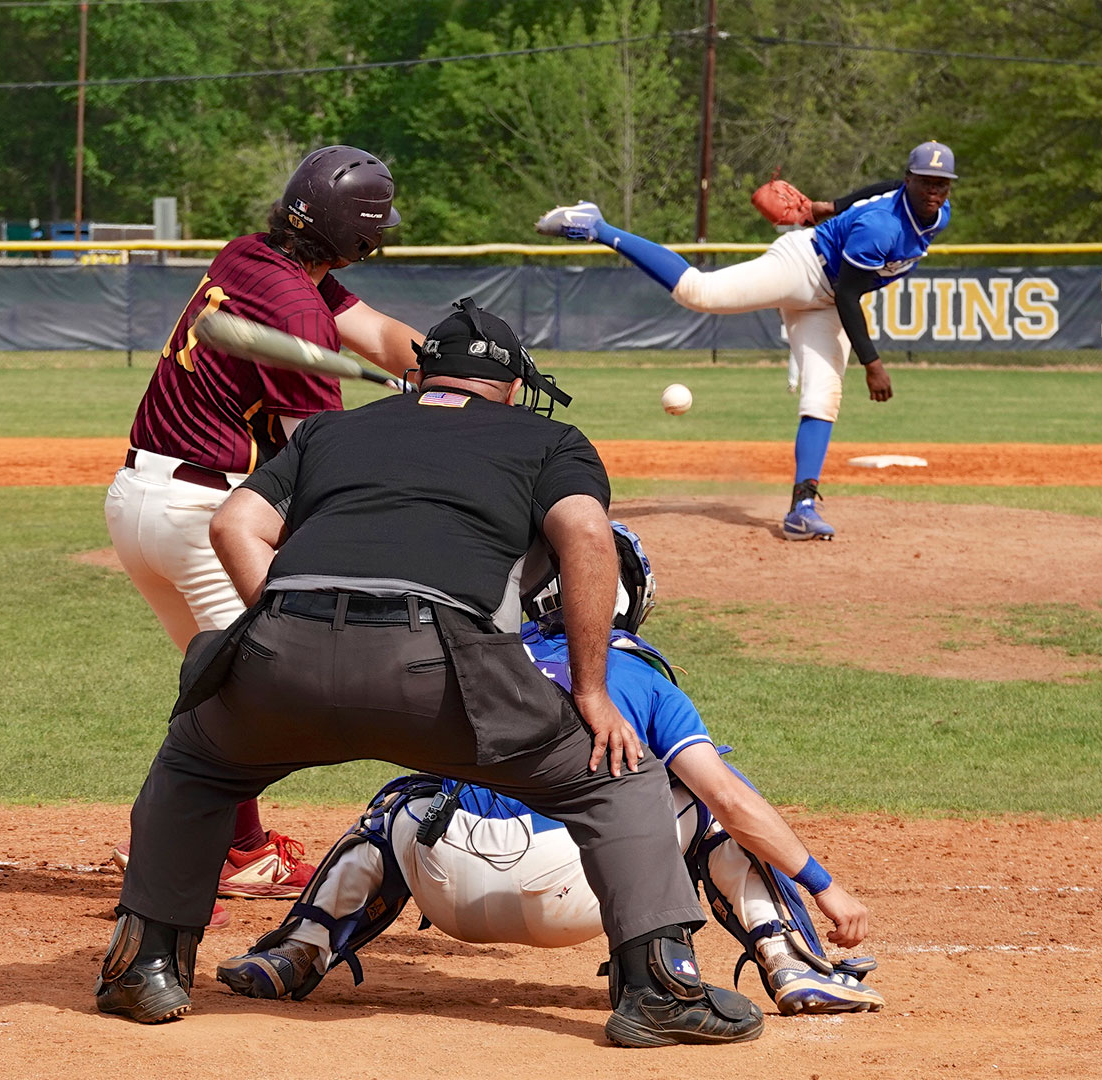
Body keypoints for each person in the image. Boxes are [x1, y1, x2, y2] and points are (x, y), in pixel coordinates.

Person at [95, 299, 765, 1048]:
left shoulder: (330, 430)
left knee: (195, 763)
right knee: (614, 777)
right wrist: (590, 689)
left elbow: (233, 524)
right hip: (439, 671)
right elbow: (584, 534)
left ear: (421, 376)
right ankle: (661, 991)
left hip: (281, 659)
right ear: (511, 388)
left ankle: (144, 966)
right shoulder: (550, 439)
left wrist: (288, 624)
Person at [215, 522, 885, 1018]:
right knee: (696, 797)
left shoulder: (480, 659)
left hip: (448, 889)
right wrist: (826, 887)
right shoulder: (634, 674)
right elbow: (733, 804)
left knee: (402, 798)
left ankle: (291, 952)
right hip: (578, 890)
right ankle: (794, 967)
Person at [104, 145, 425, 901]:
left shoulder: (255, 258)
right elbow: (310, 462)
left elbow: (375, 333)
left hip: (141, 504)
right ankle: (163, 850)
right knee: (254, 690)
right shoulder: (298, 315)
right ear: (362, 234)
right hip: (197, 516)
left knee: (224, 686)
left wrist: (451, 370)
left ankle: (243, 848)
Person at [536, 141, 957, 542]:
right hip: (805, 268)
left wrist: (832, 206)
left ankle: (802, 509)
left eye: (942, 183)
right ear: (910, 179)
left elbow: (884, 194)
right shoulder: (879, 227)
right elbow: (850, 295)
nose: (934, 190)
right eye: (925, 180)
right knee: (698, 293)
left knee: (823, 395)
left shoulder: (938, 213)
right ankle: (597, 226)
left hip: (826, 301)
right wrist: (873, 363)